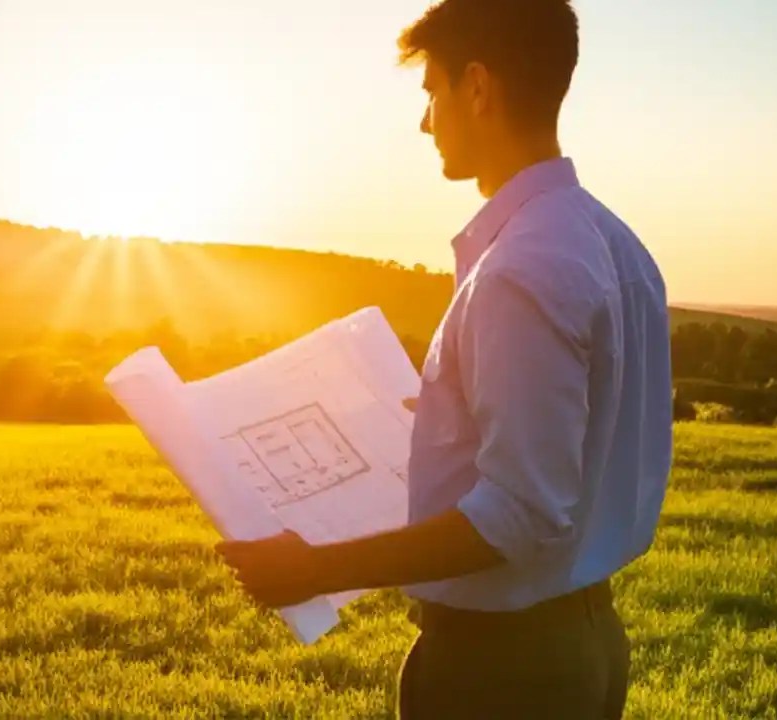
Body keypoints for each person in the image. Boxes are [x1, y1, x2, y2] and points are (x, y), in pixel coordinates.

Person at [217, 0, 672, 716]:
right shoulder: (619, 245)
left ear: (479, 88)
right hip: (585, 640)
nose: (425, 121)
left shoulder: (520, 269)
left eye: (431, 91)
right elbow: (576, 449)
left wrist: (315, 570)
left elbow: (517, 515)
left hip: (502, 671)